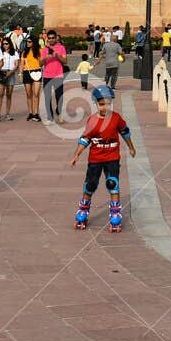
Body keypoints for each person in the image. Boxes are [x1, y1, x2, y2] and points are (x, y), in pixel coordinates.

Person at [69, 84, 135, 232]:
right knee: (90, 185)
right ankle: (83, 210)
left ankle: (115, 214)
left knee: (113, 184)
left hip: (112, 158)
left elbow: (125, 132)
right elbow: (85, 139)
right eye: (101, 104)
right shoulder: (92, 121)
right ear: (96, 104)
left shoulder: (116, 118)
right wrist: (76, 154)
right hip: (95, 159)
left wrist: (131, 147)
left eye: (108, 103)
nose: (105, 107)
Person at [41, 30, 67, 124]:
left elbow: (65, 61)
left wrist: (57, 55)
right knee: (47, 97)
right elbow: (40, 63)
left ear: (56, 38)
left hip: (58, 75)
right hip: (47, 75)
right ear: (47, 39)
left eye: (53, 38)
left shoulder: (61, 48)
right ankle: (50, 117)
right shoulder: (44, 49)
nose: (51, 40)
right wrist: (46, 58)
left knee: (59, 97)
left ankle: (59, 113)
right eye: (50, 38)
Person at [20, 36, 43, 121]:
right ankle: (30, 113)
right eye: (27, 42)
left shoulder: (39, 51)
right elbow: (22, 63)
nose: (27, 43)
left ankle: (36, 113)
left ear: (34, 42)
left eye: (29, 42)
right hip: (27, 72)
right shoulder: (24, 52)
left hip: (37, 71)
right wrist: (20, 74)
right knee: (28, 94)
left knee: (36, 93)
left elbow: (41, 63)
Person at [0, 38, 18, 122]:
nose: (5, 45)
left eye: (7, 44)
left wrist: (10, 73)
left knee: (9, 95)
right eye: (4, 44)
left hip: (11, 73)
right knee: (0, 94)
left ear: (10, 44)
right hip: (1, 73)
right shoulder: (0, 52)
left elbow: (16, 65)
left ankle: (7, 114)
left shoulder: (15, 53)